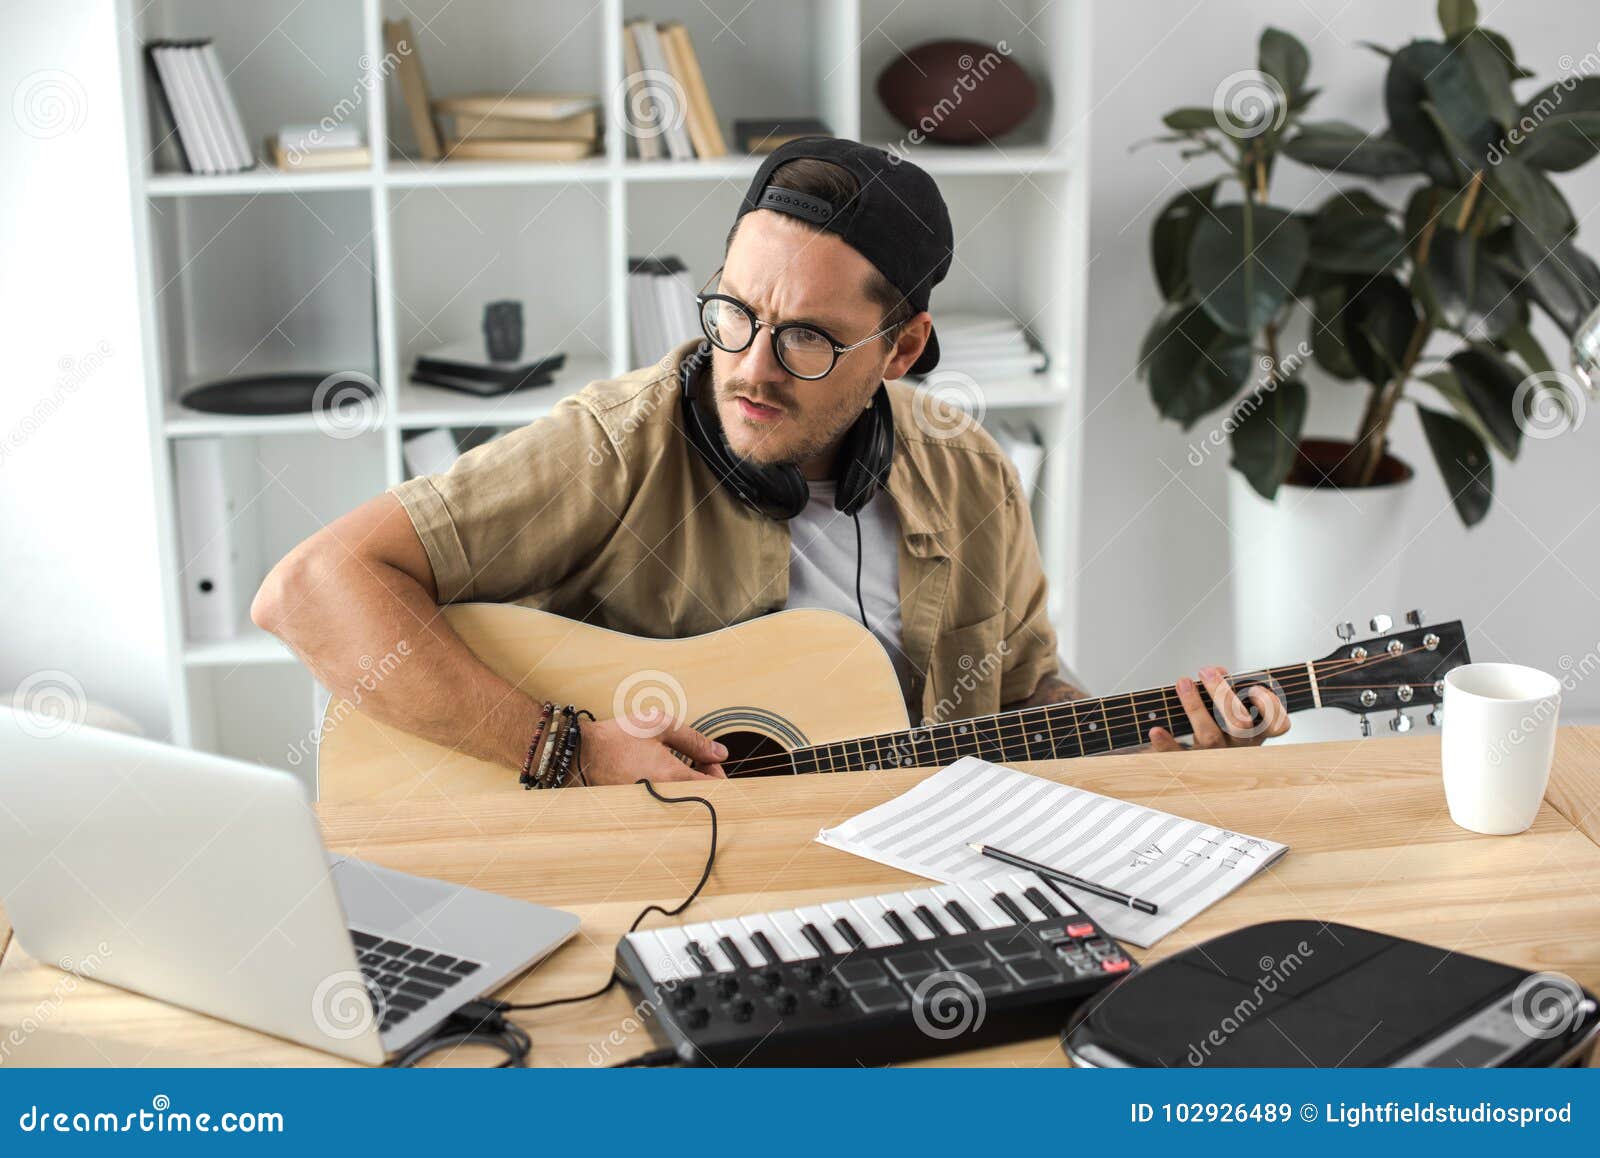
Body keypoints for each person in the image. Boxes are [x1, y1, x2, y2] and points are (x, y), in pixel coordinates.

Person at [253, 138, 1288, 785]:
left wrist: (1153, 744)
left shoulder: (969, 472)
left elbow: (1023, 702)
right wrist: (559, 748)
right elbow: (309, 590)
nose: (746, 367)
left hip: (914, 884)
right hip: (671, 896)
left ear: (904, 348)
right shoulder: (618, 444)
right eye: (734, 314)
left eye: (804, 339)